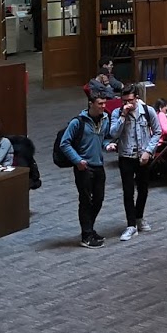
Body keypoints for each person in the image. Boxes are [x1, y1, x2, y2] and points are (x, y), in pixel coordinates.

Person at [106, 86, 162, 241]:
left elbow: (157, 131)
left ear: (137, 98)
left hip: (143, 156)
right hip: (126, 156)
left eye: (130, 100)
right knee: (128, 191)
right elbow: (113, 133)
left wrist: (148, 151)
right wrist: (123, 116)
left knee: (143, 189)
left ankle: (139, 217)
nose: (127, 104)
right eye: (124, 101)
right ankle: (131, 225)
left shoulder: (148, 111)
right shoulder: (117, 113)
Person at [59, 92, 111, 248]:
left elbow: (104, 138)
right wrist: (77, 160)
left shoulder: (105, 119)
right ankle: (86, 235)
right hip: (84, 168)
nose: (103, 106)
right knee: (85, 201)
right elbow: (64, 143)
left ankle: (89, 228)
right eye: (100, 103)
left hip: (98, 165)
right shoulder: (78, 122)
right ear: (90, 104)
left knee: (99, 199)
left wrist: (107, 145)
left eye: (104, 103)